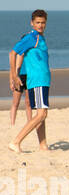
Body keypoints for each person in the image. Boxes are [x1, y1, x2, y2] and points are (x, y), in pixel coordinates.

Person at [9, 10, 51, 153]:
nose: (40, 25)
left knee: (42, 114)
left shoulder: (41, 37)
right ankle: (16, 141)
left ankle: (43, 145)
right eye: (37, 23)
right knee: (41, 114)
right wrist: (14, 75)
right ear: (32, 23)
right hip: (37, 80)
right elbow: (13, 53)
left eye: (43, 22)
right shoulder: (32, 37)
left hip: (43, 80)